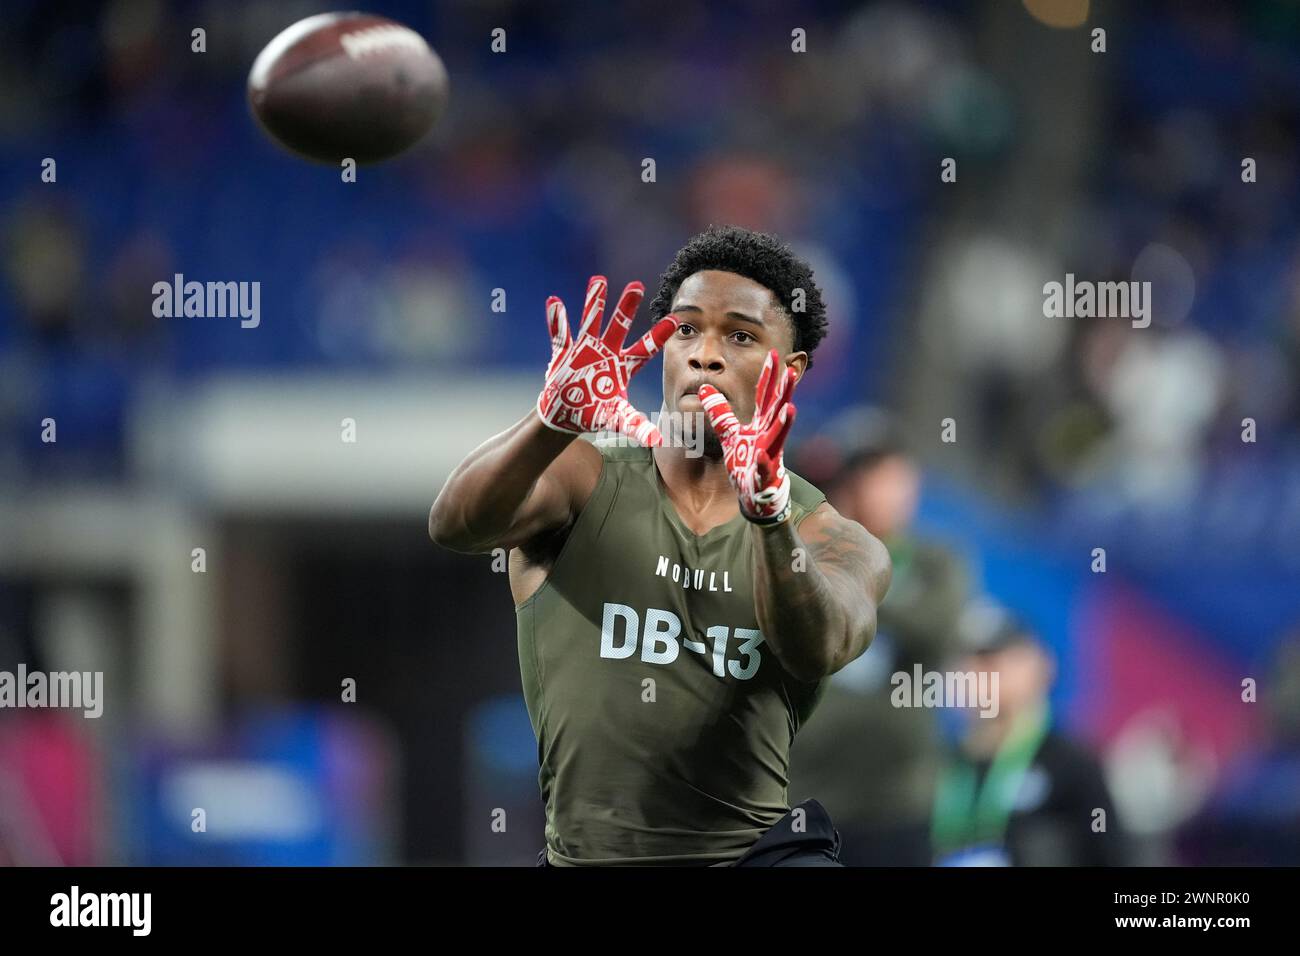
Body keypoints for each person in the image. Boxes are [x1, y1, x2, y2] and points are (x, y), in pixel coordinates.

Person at [429, 225, 892, 866]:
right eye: (686, 329)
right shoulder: (585, 476)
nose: (705, 353)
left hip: (748, 860)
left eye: (740, 335)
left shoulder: (832, 536)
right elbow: (455, 525)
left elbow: (817, 645)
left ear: (789, 370)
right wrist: (548, 424)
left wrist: (769, 519)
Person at [787, 410, 971, 865]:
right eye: (875, 476)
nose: (893, 490)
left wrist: (841, 586)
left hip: (894, 804)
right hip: (804, 791)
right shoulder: (800, 551)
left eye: (899, 477)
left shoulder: (933, 562)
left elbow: (935, 623)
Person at [931, 602, 1128, 866]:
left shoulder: (1073, 768)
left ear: (1039, 665)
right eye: (963, 661)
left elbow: (1112, 857)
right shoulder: (935, 768)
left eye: (990, 661)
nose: (973, 674)